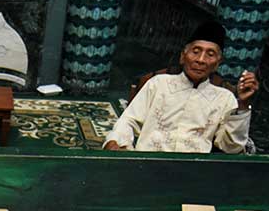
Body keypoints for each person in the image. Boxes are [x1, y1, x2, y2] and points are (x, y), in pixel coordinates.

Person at [103, 20, 258, 154]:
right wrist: (116, 142)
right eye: (196, 52)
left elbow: (231, 147)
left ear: (218, 63)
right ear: (183, 56)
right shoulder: (158, 84)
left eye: (210, 54)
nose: (201, 60)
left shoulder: (224, 98)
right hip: (148, 163)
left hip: (193, 172)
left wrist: (243, 105)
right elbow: (128, 120)